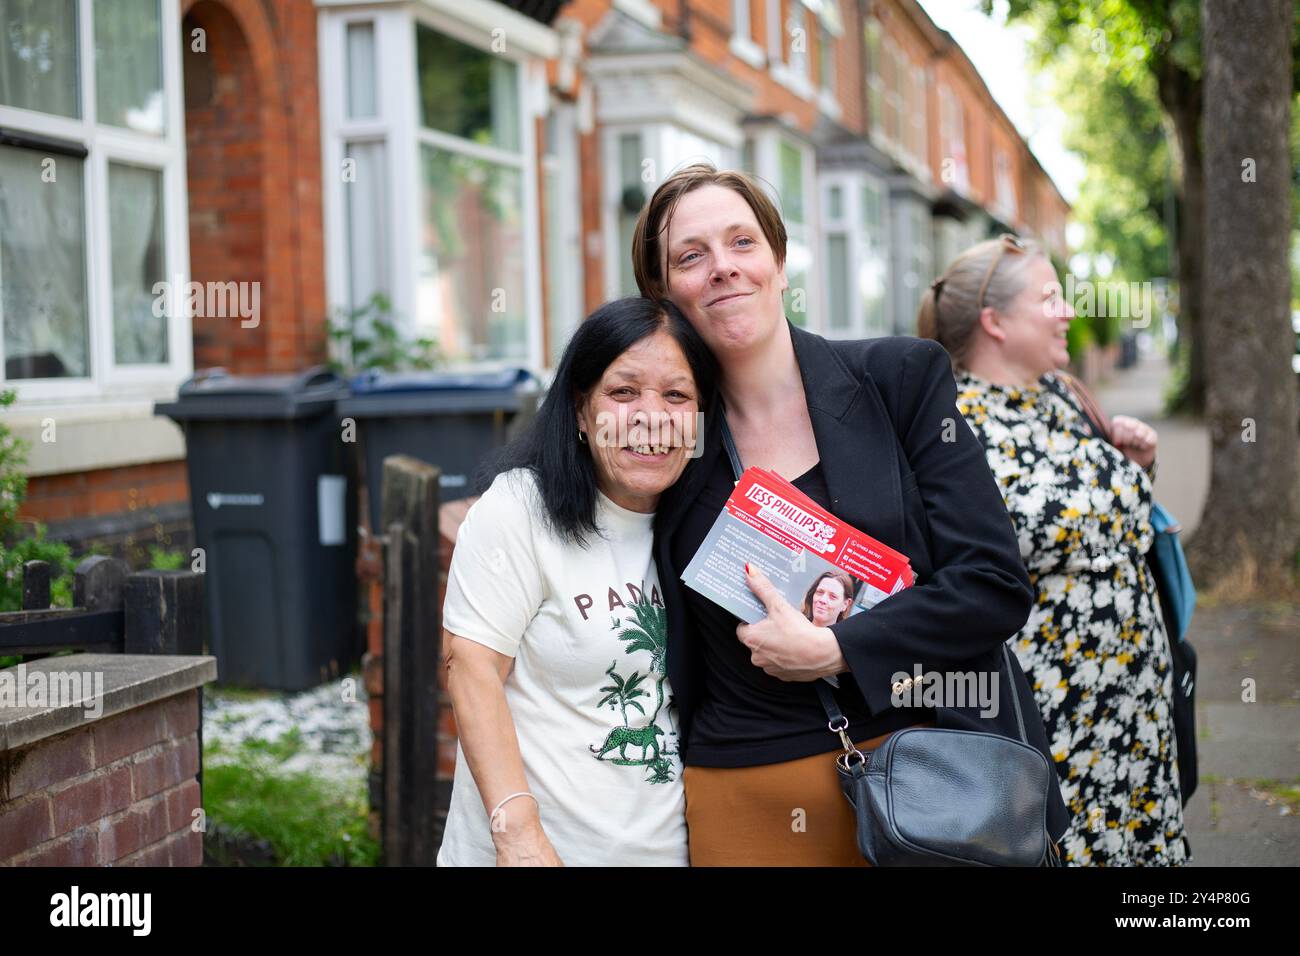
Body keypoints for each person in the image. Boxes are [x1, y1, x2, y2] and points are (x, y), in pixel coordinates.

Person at [633, 163, 1069, 866]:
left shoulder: (898, 380)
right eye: (691, 255)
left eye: (742, 242)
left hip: (926, 774)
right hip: (739, 785)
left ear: (777, 258)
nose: (722, 268)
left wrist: (838, 650)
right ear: (661, 291)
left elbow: (992, 584)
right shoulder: (665, 434)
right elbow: (562, 455)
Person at [919, 234, 1188, 866]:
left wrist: (1138, 465)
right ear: (996, 322)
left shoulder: (1064, 395)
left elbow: (1109, 521)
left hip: (1131, 703)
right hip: (1054, 712)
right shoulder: (953, 423)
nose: (1069, 310)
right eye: (1050, 298)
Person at [436, 296, 717, 866]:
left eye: (676, 395)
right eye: (622, 392)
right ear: (580, 410)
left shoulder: (704, 527)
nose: (651, 416)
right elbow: (471, 668)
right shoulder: (521, 508)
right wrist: (518, 836)